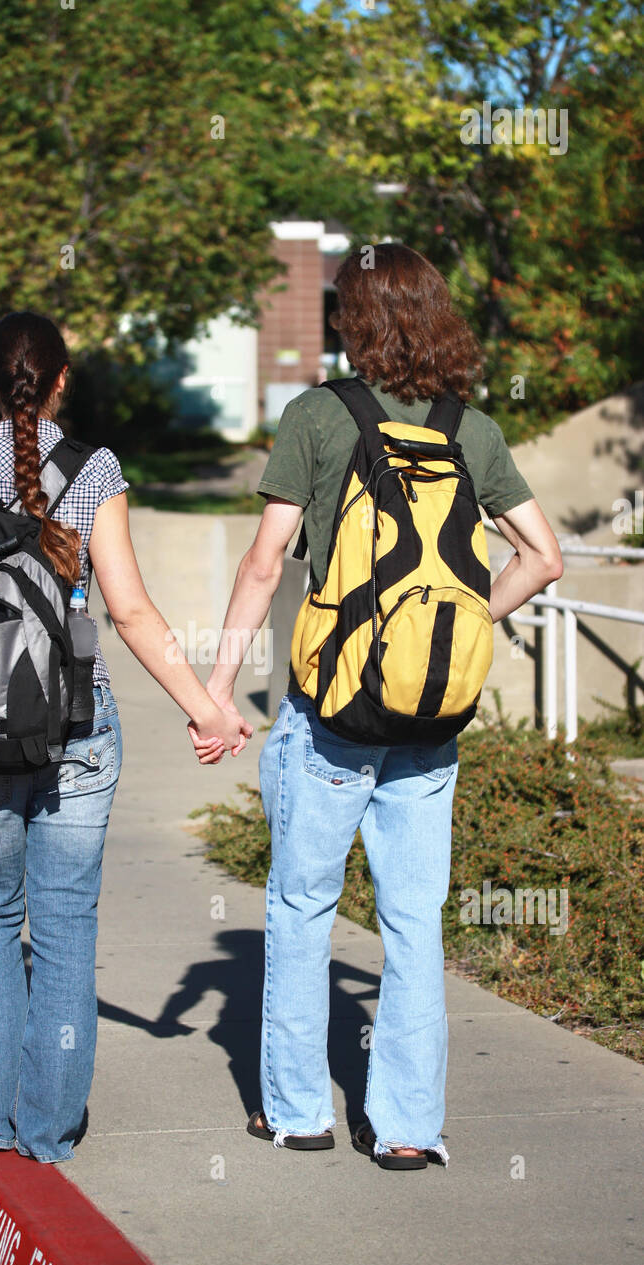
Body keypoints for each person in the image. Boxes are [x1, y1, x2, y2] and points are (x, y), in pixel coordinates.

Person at [192, 244, 563, 1169]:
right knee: (412, 920)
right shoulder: (469, 429)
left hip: (332, 713)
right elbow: (545, 559)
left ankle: (300, 1114)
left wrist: (216, 690)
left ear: (351, 322)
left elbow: (264, 561)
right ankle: (403, 1130)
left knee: (303, 907)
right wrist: (468, 618)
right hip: (431, 721)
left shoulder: (319, 414)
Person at [0, 311, 252, 1163]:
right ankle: (50, 1129)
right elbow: (129, 613)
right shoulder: (93, 471)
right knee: (63, 923)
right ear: (62, 381)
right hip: (77, 729)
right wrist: (204, 707)